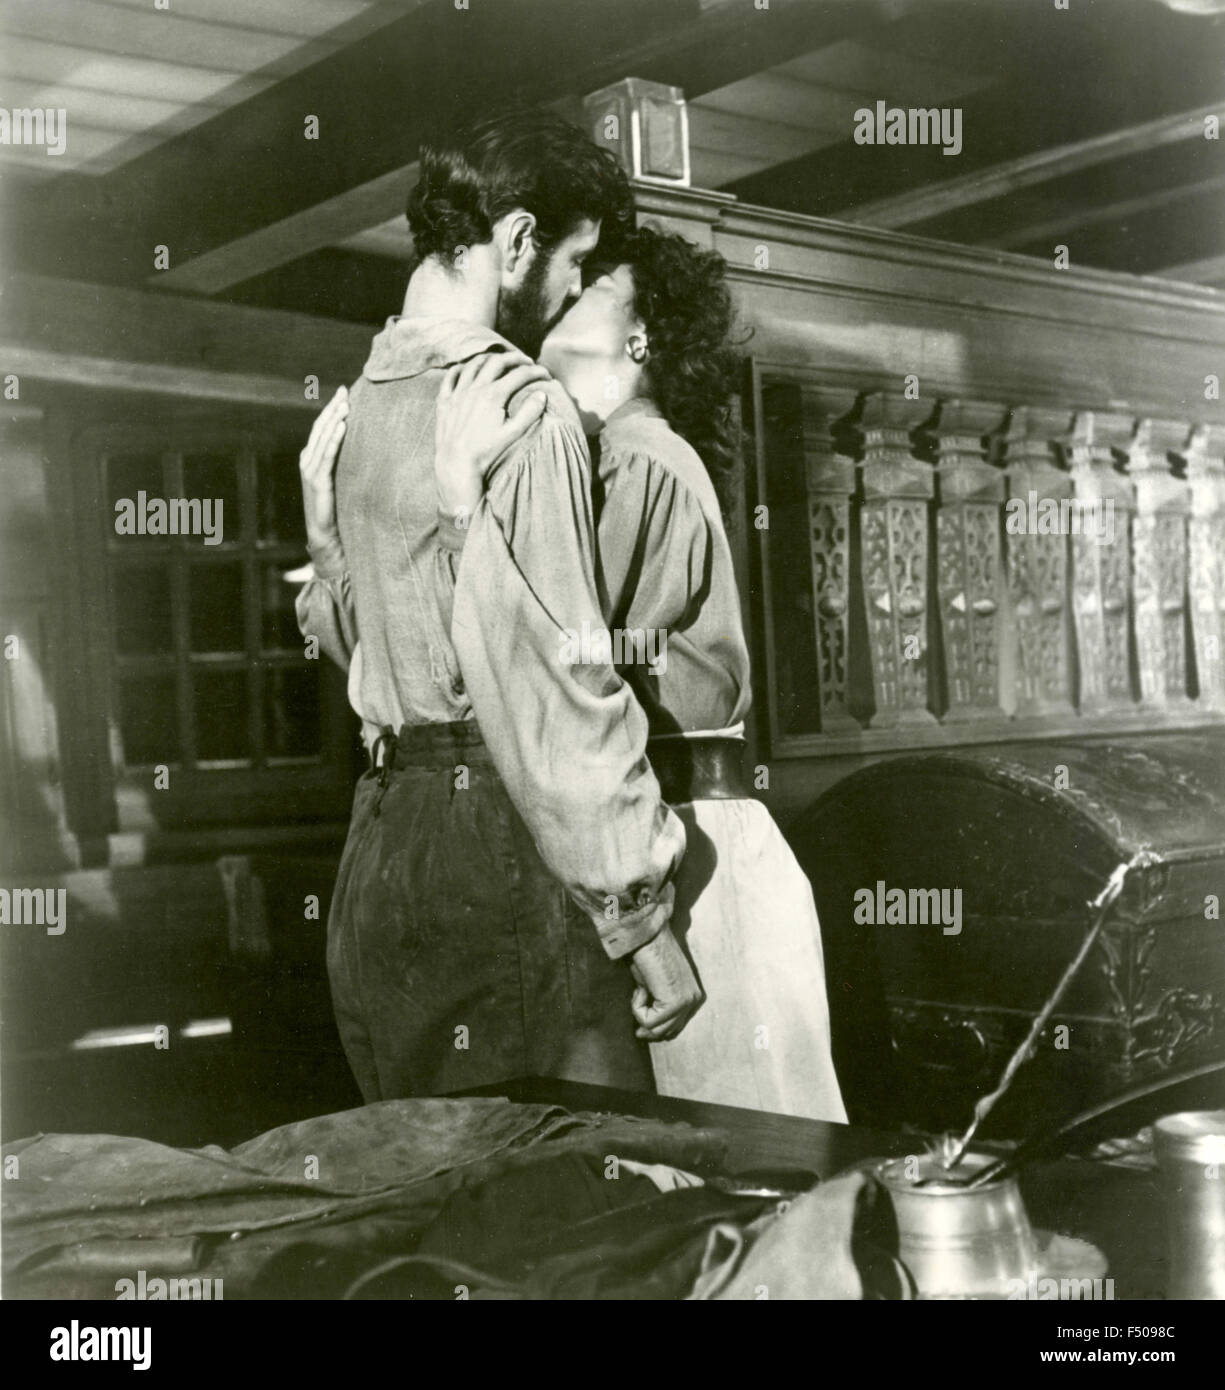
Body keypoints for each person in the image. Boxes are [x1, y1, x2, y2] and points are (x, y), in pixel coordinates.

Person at [301, 224, 845, 1121]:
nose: (569, 285)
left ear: (644, 337)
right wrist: (341, 550)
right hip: (641, 827)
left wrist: (459, 511)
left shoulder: (631, 459)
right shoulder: (588, 451)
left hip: (688, 848)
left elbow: (553, 655)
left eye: (597, 280)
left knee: (720, 1165)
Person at [297, 111, 701, 1105]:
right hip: (501, 852)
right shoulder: (520, 407)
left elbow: (363, 649)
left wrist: (324, 547)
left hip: (383, 844)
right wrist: (642, 919)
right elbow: (553, 684)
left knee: (432, 1209)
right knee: (580, 1220)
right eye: (573, 262)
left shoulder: (357, 406)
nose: (569, 295)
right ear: (516, 240)